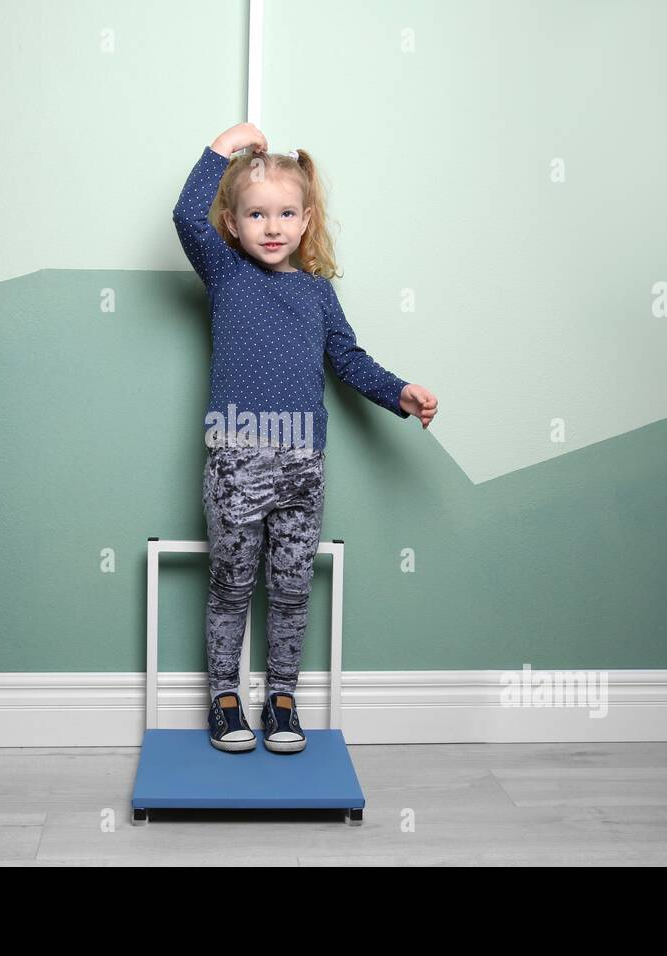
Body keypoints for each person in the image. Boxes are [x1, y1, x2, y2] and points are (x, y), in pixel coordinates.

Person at [171, 123, 438, 754]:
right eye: (256, 214)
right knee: (232, 586)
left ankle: (283, 700)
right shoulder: (226, 274)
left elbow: (347, 358)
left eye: (286, 213)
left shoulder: (317, 292)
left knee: (290, 590)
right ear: (232, 225)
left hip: (302, 470)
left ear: (306, 219)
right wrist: (222, 147)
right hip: (236, 463)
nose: (271, 226)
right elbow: (186, 214)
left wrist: (399, 393)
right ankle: (225, 699)